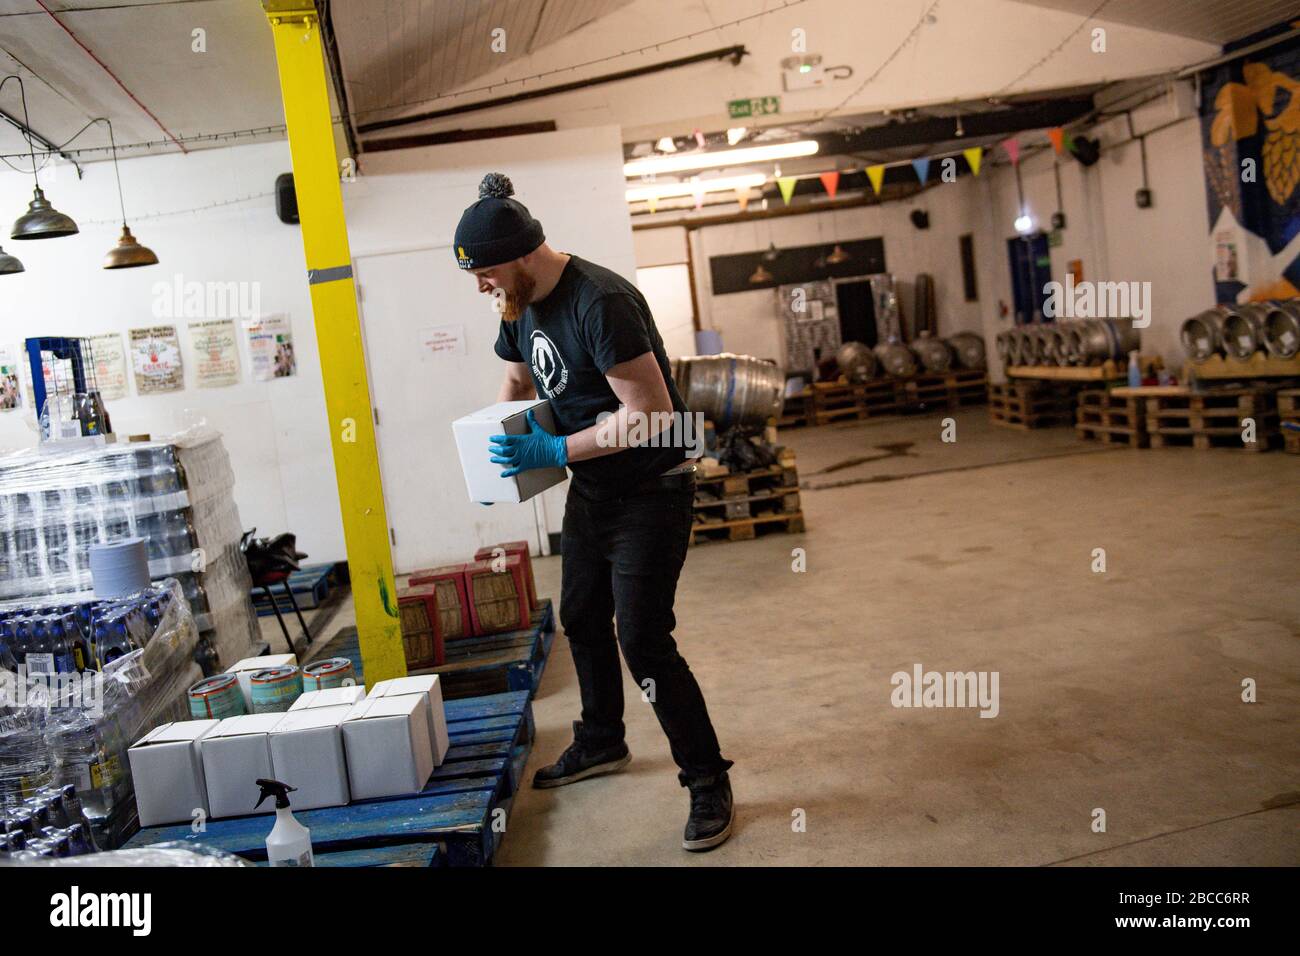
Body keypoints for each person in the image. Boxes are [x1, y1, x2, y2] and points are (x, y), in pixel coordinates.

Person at [454, 172, 734, 851]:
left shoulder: (598, 301)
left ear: (522, 255)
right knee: (580, 616)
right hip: (594, 488)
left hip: (650, 486)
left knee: (642, 639)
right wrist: (506, 431)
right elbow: (519, 378)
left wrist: (554, 446)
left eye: (488, 272)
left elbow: (651, 414)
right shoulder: (517, 305)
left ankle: (707, 780)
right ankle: (602, 739)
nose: (483, 286)